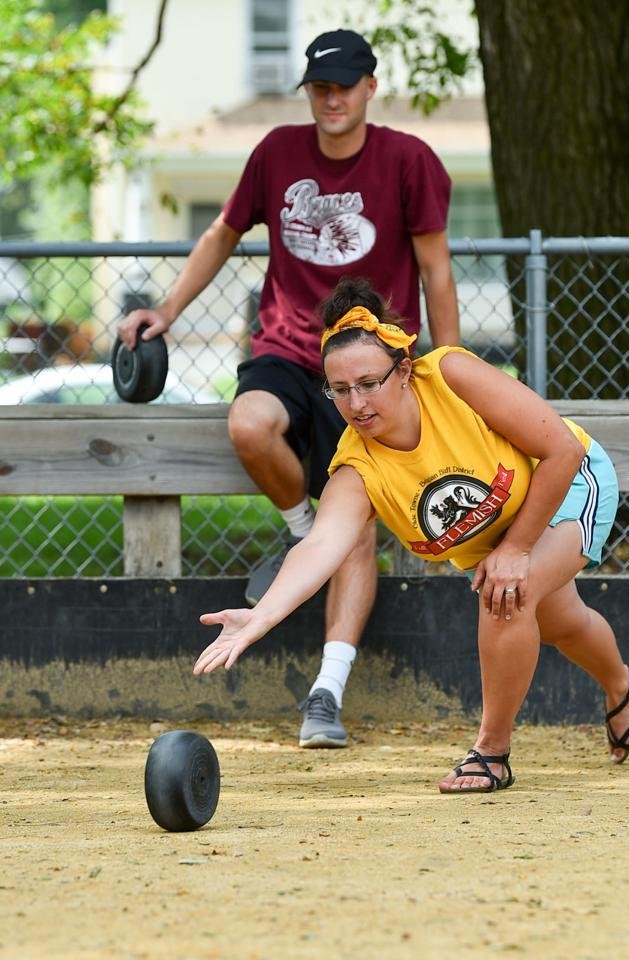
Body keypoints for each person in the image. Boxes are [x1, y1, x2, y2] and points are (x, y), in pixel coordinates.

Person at [117, 29, 460, 749]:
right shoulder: (276, 152)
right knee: (250, 424)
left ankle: (326, 695)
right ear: (308, 91)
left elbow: (436, 268)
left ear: (369, 87)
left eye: (344, 86)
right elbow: (220, 233)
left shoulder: (407, 160)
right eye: (319, 87)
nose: (332, 99)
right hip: (288, 352)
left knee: (356, 531)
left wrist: (449, 367)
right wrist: (166, 312)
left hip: (368, 367)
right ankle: (305, 534)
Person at [193, 277, 629, 793]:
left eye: (369, 383)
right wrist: (261, 616)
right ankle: (625, 682)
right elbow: (320, 546)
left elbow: (561, 452)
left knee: (505, 595)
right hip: (504, 530)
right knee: (562, 623)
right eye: (340, 390)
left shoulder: (449, 375)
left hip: (570, 484)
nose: (356, 403)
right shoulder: (355, 469)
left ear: (404, 371)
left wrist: (516, 548)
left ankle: (491, 753)